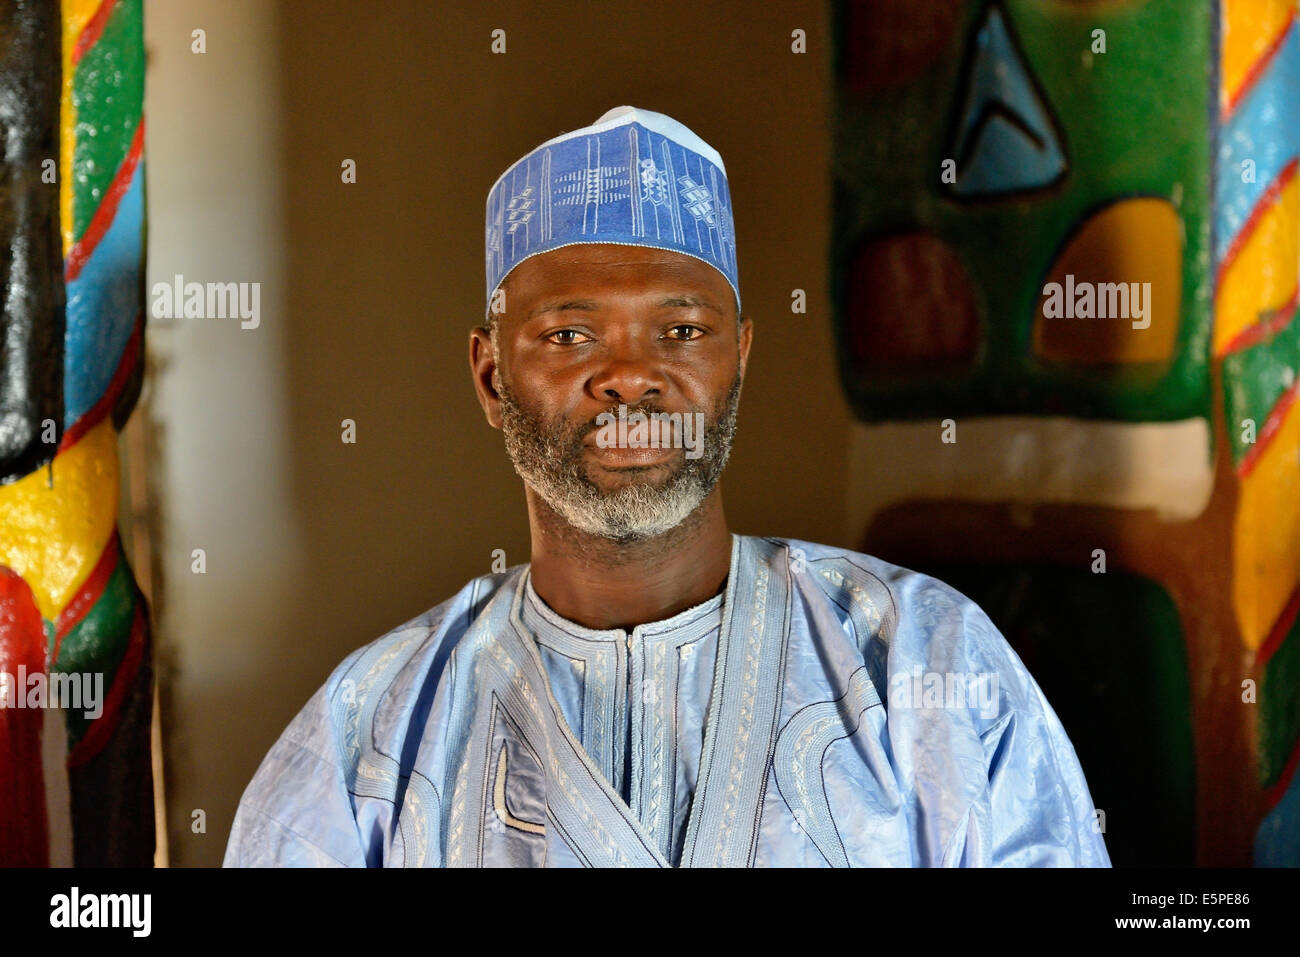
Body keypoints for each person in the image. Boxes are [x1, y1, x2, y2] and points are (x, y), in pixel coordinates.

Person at [224, 106, 1110, 867]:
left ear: (740, 359)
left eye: (681, 328)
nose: (630, 375)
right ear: (491, 379)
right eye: (569, 336)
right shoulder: (370, 734)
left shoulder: (926, 665)